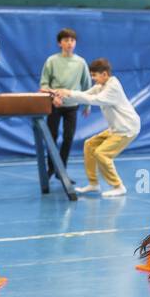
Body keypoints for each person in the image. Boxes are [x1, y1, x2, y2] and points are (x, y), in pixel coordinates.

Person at [55, 57, 140, 198]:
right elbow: (85, 94)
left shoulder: (113, 87)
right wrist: (63, 95)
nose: (93, 78)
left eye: (95, 75)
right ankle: (93, 184)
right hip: (116, 128)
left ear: (105, 74)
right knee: (89, 145)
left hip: (127, 129)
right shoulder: (101, 86)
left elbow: (94, 100)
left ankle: (118, 186)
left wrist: (69, 93)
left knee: (101, 153)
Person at [39, 28, 92, 182]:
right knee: (51, 137)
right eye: (66, 40)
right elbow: (43, 85)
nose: (69, 43)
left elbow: (87, 85)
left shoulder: (81, 62)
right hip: (54, 105)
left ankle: (61, 171)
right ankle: (50, 169)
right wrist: (53, 96)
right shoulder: (51, 61)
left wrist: (87, 105)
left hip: (72, 107)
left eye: (72, 40)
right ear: (59, 43)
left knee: (68, 138)